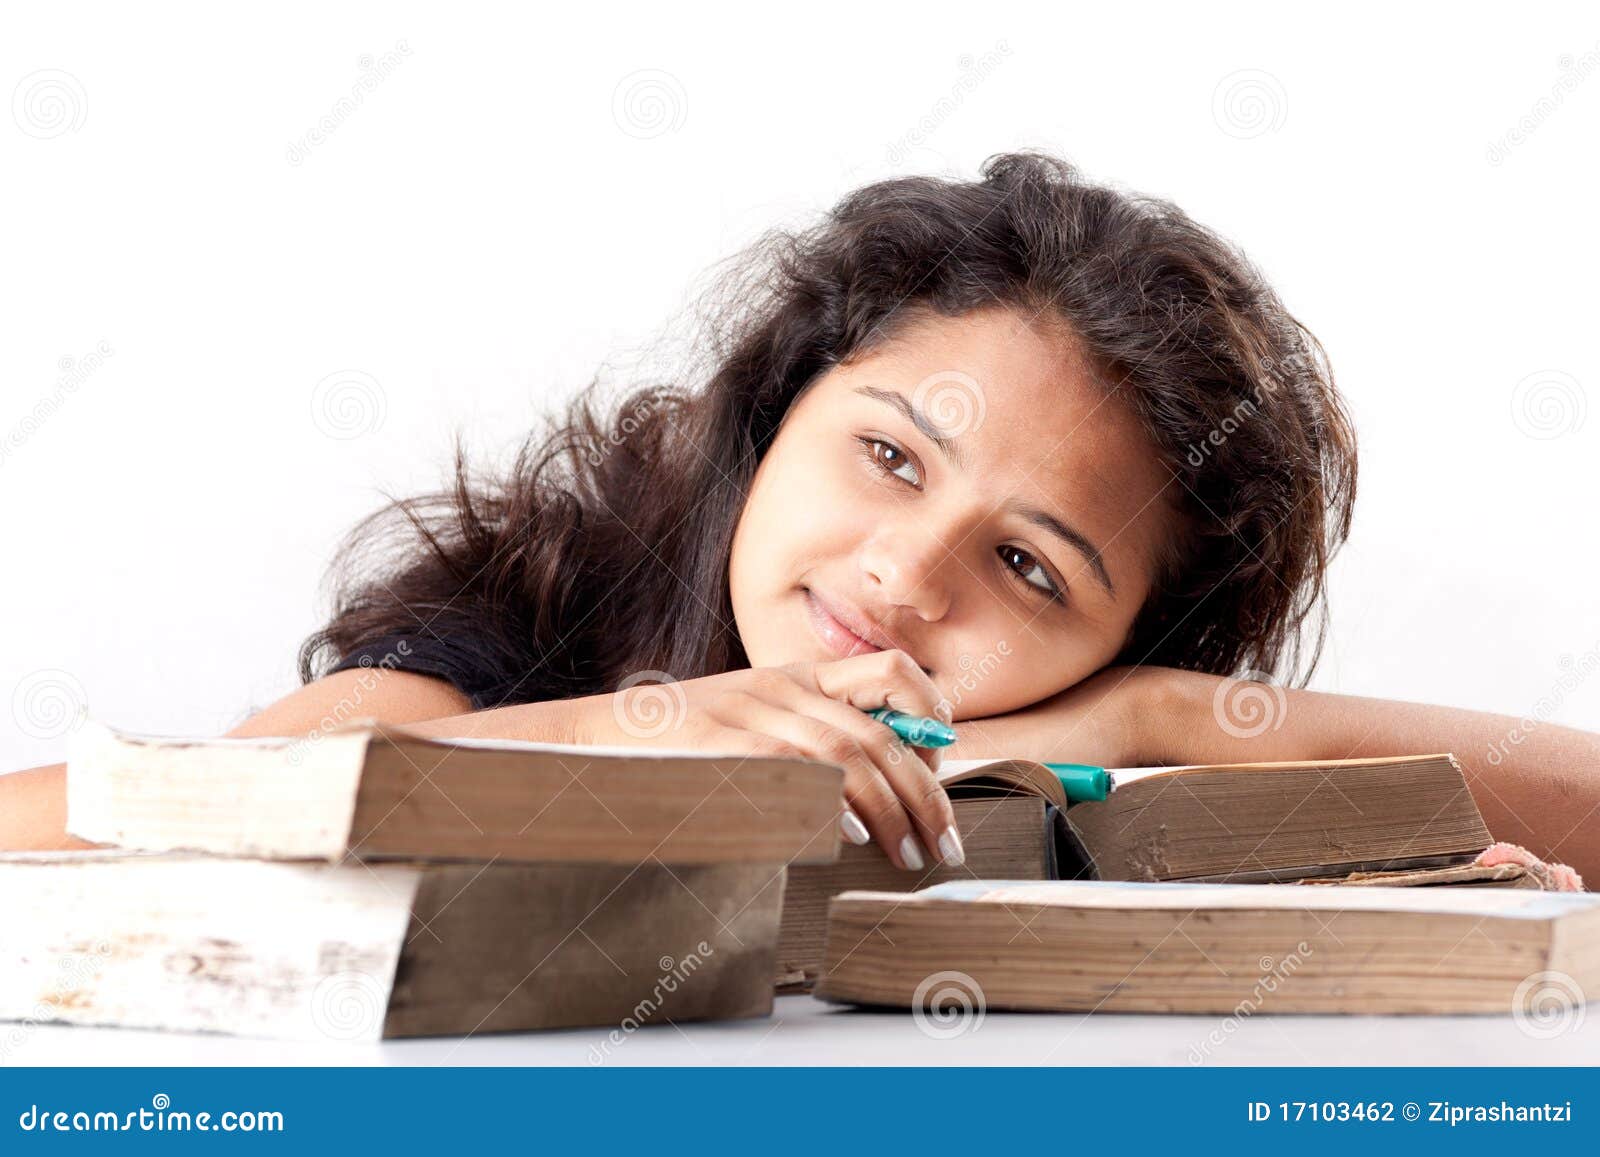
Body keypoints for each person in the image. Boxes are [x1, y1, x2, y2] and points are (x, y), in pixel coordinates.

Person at [6, 152, 1595, 884]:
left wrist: (1159, 717)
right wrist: (659, 731)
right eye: (891, 455)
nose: (904, 574)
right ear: (776, 413)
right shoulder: (523, 620)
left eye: (1029, 565)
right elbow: (96, 824)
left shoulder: (1083, 760)